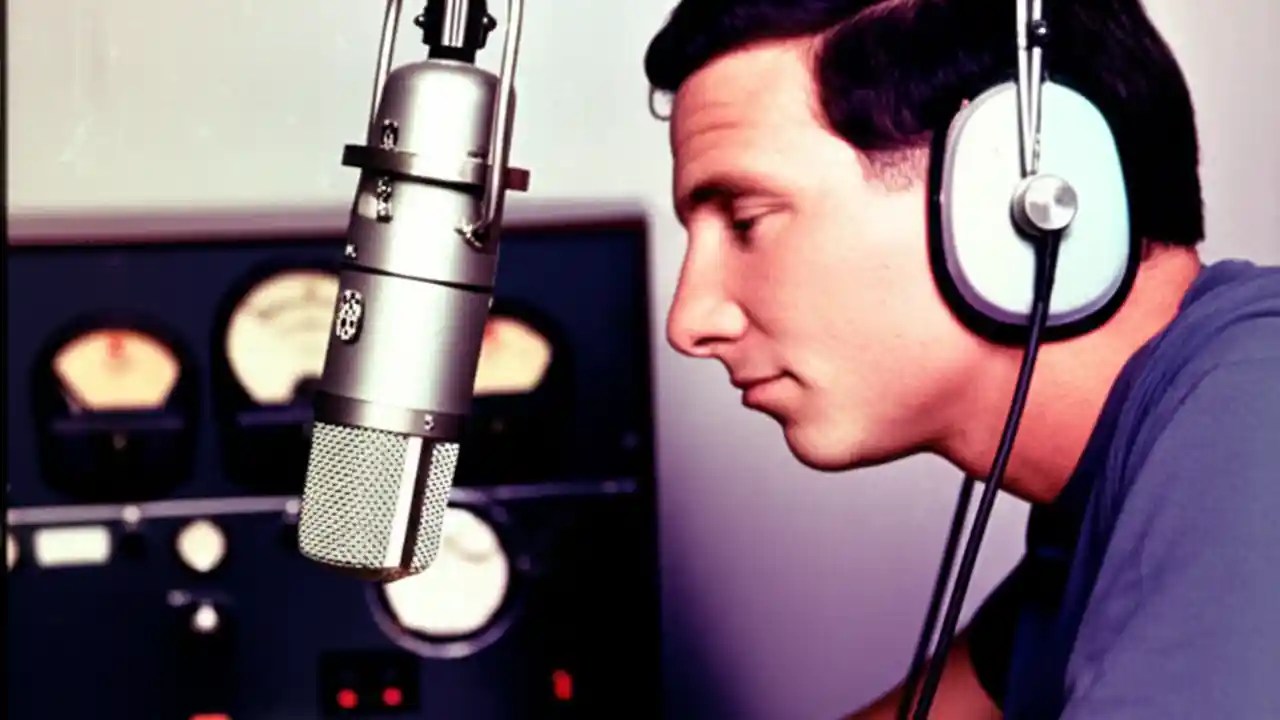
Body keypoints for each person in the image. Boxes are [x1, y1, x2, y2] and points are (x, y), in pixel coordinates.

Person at [642, 0, 1280, 718]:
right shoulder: (1104, 508)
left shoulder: (1257, 422)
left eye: (746, 220)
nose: (688, 322)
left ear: (1020, 194)